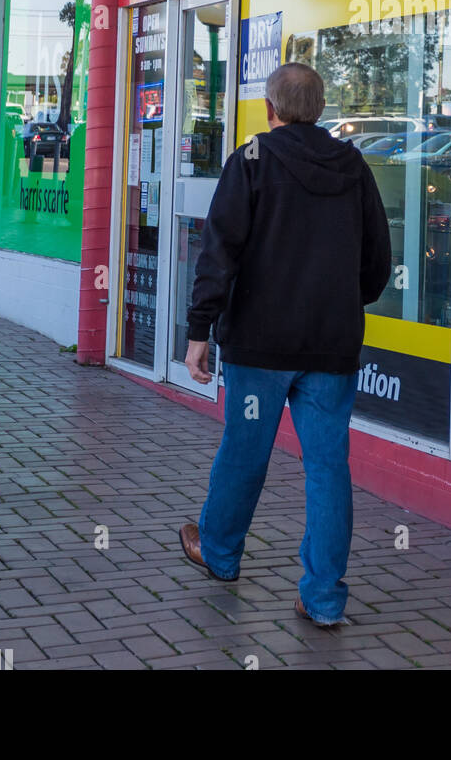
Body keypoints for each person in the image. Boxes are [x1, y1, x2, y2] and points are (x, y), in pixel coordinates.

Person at [179, 62, 392, 626]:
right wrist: (346, 301)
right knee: (328, 467)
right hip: (331, 347)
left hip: (260, 347)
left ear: (270, 109)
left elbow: (217, 252)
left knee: (245, 450)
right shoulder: (354, 166)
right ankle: (322, 600)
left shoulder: (250, 161)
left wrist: (199, 330)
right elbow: (377, 261)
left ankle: (219, 553)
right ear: (319, 110)